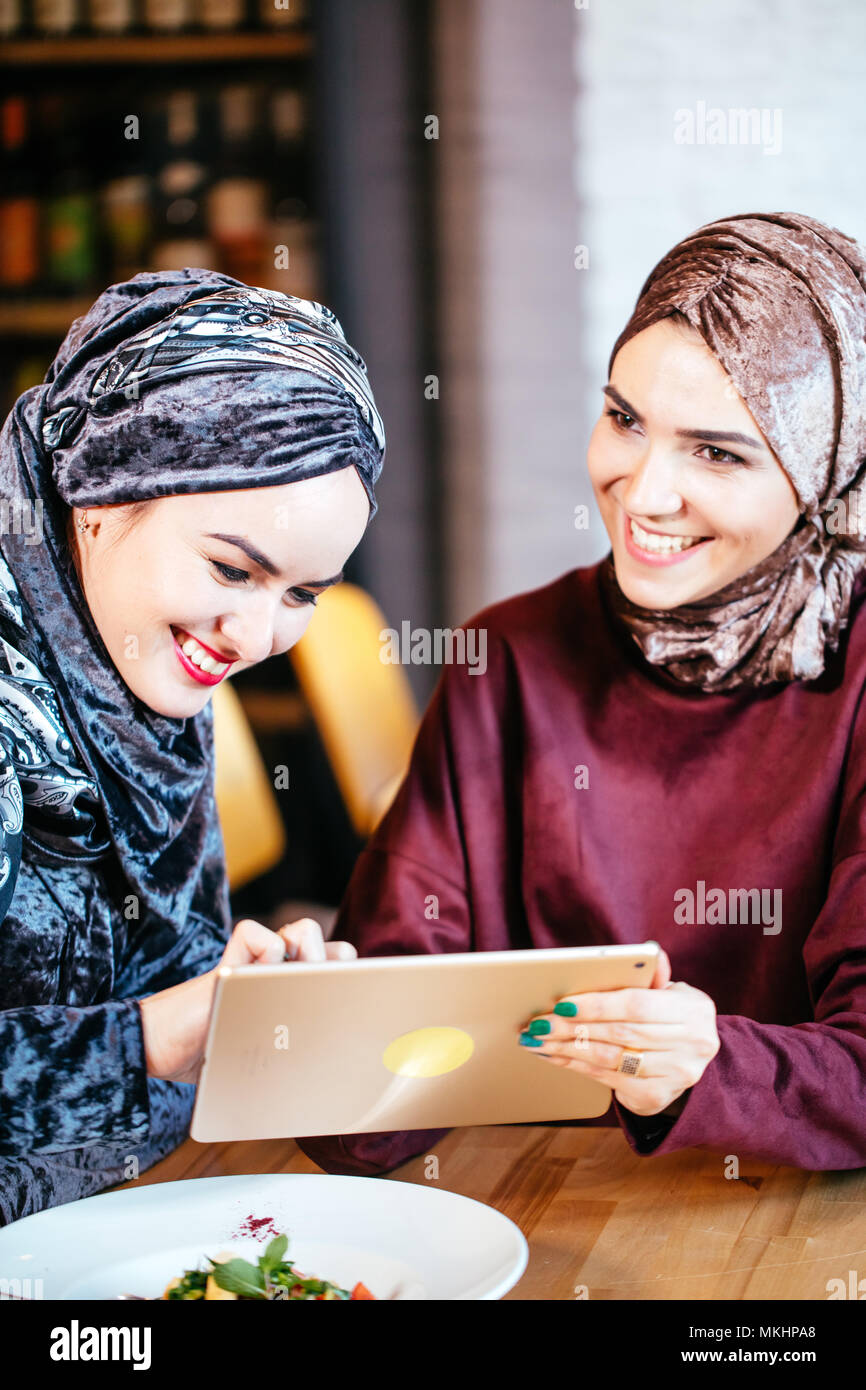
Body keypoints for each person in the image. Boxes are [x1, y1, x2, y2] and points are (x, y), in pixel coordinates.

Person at [296, 211, 866, 1177]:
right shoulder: (503, 660)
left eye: (718, 452)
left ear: (824, 471)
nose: (641, 493)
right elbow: (368, 1116)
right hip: (546, 1209)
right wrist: (318, 1031)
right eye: (625, 420)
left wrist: (713, 1065)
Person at [0, 268, 385, 1224]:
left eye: (301, 595)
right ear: (99, 494)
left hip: (147, 1204)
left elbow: (169, 980)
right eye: (231, 567)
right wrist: (159, 1038)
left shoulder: (134, 658)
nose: (256, 639)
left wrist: (239, 999)